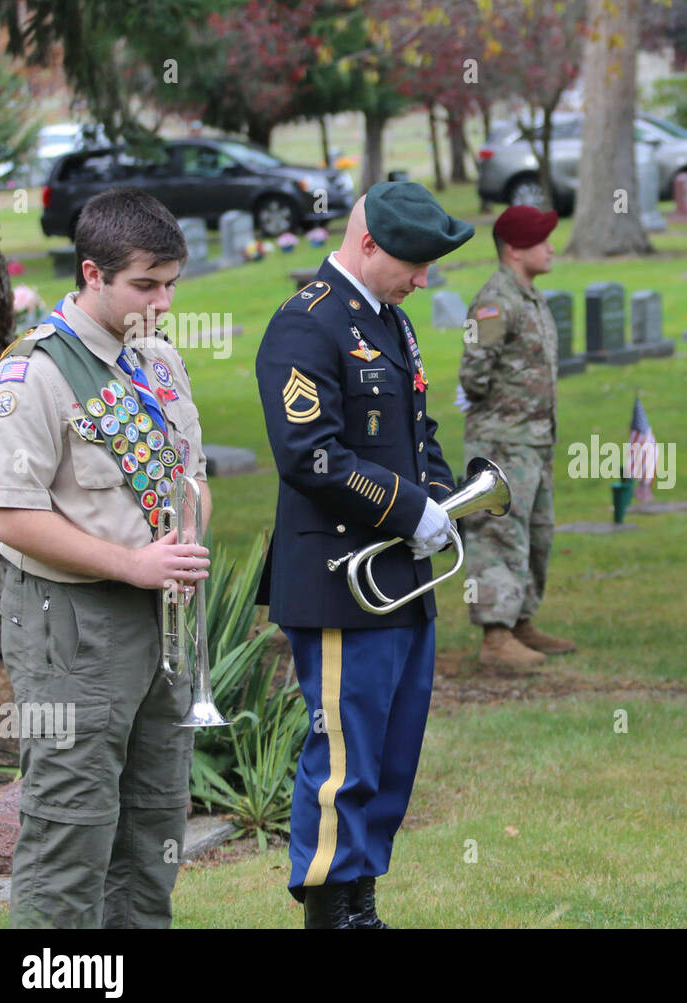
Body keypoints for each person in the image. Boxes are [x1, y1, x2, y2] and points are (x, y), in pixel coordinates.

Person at [0, 188, 210, 928]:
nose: (163, 301)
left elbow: (191, 474)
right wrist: (132, 563)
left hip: (160, 615)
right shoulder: (35, 371)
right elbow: (7, 516)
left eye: (172, 282)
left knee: (154, 815)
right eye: (146, 283)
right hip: (73, 622)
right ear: (92, 273)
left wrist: (186, 531)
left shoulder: (159, 363)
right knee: (70, 822)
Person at [255, 181, 473, 928]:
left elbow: (418, 429)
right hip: (338, 579)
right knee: (344, 760)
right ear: (369, 243)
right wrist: (410, 508)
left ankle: (360, 898)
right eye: (413, 263)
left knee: (391, 754)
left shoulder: (391, 322)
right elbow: (308, 454)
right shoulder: (306, 325)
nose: (423, 279)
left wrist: (440, 497)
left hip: (400, 575)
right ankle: (328, 906)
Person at [459, 205, 576, 671]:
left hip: (534, 441)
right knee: (498, 534)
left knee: (538, 534)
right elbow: (473, 373)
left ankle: (521, 620)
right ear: (513, 249)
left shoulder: (529, 296)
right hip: (501, 443)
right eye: (540, 239)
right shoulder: (495, 301)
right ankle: (495, 636)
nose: (551, 247)